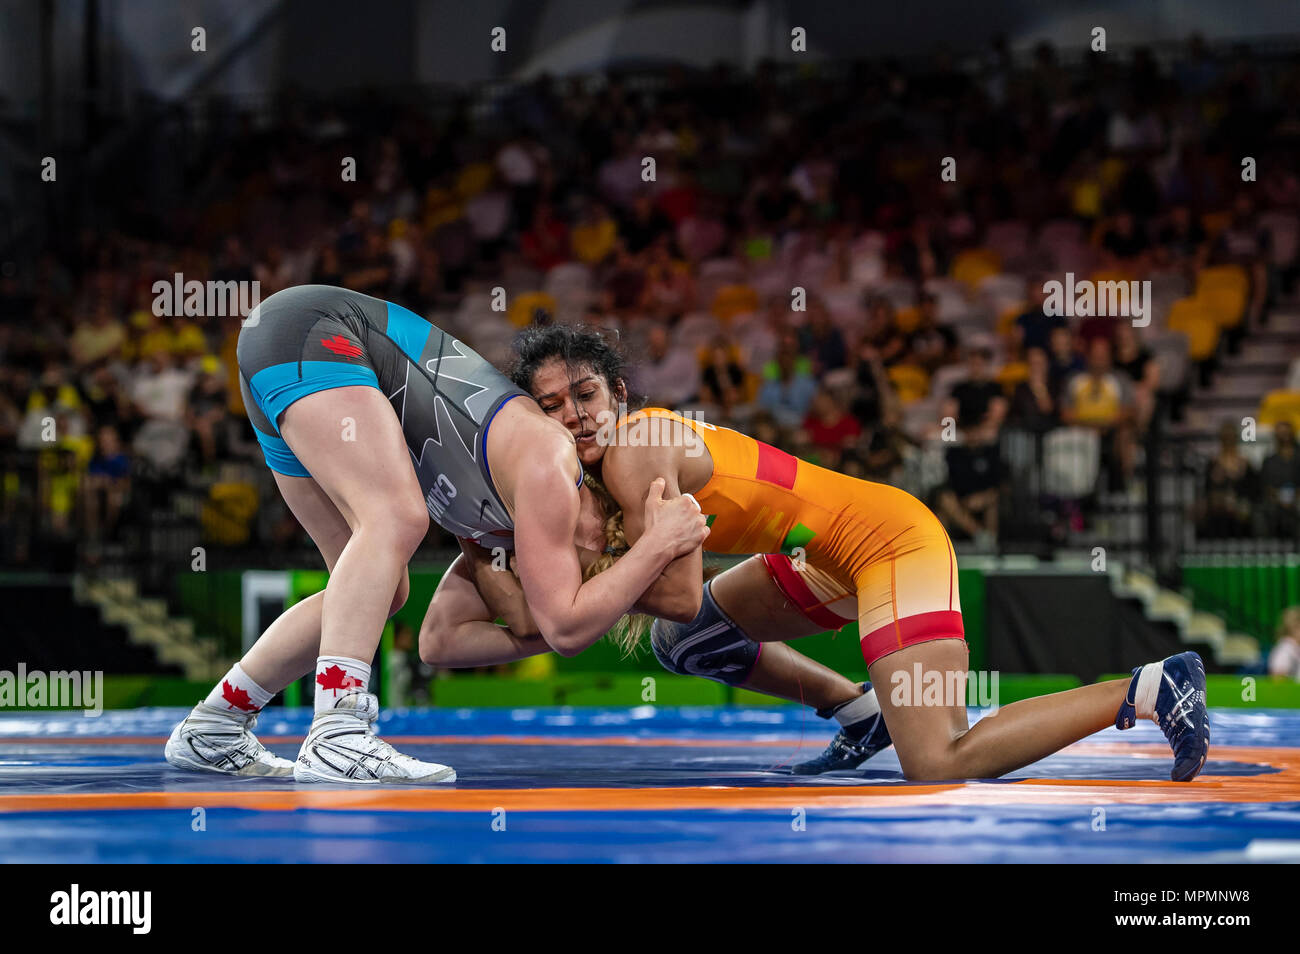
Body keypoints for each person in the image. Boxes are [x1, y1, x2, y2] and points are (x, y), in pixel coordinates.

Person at [426, 324, 1211, 782]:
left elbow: (667, 591)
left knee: (936, 761)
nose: (576, 419)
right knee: (688, 641)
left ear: (620, 395)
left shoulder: (635, 454)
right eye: (554, 408)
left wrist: (554, 599)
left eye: (587, 396)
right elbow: (450, 639)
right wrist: (495, 562)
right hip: (822, 555)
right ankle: (857, 707)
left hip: (889, 541)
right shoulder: (588, 475)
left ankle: (1146, 688)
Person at [164, 286, 707, 784]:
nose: (576, 419)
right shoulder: (549, 465)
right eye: (558, 403)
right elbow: (565, 629)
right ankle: (338, 731)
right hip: (317, 331)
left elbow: (453, 638)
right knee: (396, 517)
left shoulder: (505, 517)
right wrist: (656, 547)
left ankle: (215, 724)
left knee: (379, 589)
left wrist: (580, 604)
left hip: (285, 350)